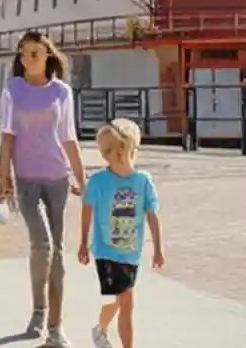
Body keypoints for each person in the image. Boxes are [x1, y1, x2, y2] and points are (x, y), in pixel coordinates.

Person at [0, 30, 86, 346]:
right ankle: (38, 309)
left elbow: (69, 137)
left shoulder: (61, 92)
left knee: (57, 250)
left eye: (34, 53)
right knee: (42, 244)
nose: (27, 59)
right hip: (26, 179)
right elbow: (7, 134)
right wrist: (2, 175)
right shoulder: (13, 90)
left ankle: (55, 326)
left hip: (57, 177)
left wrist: (82, 178)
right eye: (23, 54)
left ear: (47, 54)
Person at [78, 119, 164, 348]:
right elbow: (87, 210)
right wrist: (83, 243)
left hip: (131, 253)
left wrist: (158, 249)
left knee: (121, 302)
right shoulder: (98, 181)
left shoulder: (143, 181)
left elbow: (152, 215)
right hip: (106, 251)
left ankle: (100, 329)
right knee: (125, 301)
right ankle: (113, 337)